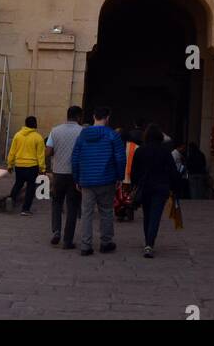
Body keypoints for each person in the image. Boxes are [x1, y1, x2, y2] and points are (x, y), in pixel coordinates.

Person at [71, 104, 126, 255]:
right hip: (107, 179)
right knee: (107, 211)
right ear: (108, 118)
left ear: (93, 117)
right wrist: (120, 176)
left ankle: (86, 245)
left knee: (86, 212)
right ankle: (106, 242)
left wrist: (76, 178)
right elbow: (120, 158)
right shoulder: (112, 135)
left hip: (87, 179)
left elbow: (75, 158)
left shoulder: (83, 135)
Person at [130, 123, 187, 257]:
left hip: (145, 187)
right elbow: (172, 172)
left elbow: (134, 172)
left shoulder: (140, 151)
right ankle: (150, 243)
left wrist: (135, 185)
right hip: (161, 188)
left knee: (147, 215)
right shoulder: (165, 152)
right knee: (155, 216)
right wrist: (175, 187)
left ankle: (147, 241)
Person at [45, 105, 84, 248]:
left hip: (58, 173)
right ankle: (68, 240)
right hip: (74, 175)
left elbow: (48, 152)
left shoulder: (55, 131)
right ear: (79, 117)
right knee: (72, 207)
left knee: (56, 203)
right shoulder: (83, 132)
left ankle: (56, 231)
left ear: (67, 115)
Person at [6, 116, 46, 215]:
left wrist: (10, 164)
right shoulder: (38, 137)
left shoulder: (18, 135)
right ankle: (25, 209)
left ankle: (11, 200)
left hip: (19, 165)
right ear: (35, 124)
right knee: (30, 188)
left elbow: (12, 151)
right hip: (32, 166)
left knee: (18, 184)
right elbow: (40, 155)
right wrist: (42, 168)